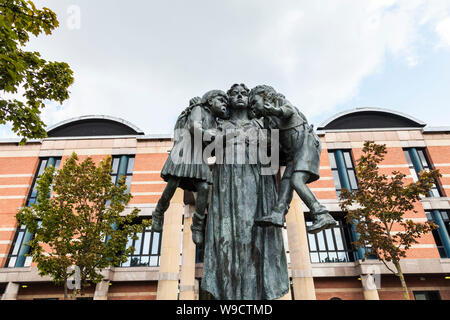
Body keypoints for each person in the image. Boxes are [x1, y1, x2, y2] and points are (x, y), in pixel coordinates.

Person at [201, 84, 289, 300]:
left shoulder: (261, 124)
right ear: (229, 99)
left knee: (254, 241)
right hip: (227, 188)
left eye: (244, 93)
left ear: (250, 99)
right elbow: (199, 139)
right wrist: (199, 107)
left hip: (258, 186)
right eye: (234, 93)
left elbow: (282, 148)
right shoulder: (220, 125)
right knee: (226, 244)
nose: (240, 96)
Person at [249, 85, 337, 234]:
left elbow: (288, 111)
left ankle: (321, 214)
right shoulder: (267, 120)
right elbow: (270, 139)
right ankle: (278, 214)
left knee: (296, 180)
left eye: (254, 102)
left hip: (305, 144)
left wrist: (275, 111)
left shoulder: (279, 101)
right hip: (292, 154)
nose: (252, 107)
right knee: (286, 183)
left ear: (265, 97)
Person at [152, 90, 228, 246]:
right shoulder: (198, 109)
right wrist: (209, 135)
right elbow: (194, 126)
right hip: (186, 150)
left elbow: (213, 146)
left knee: (204, 187)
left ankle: (198, 224)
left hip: (200, 155)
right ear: (210, 101)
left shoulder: (216, 122)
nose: (223, 104)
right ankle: (159, 212)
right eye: (220, 100)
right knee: (173, 182)